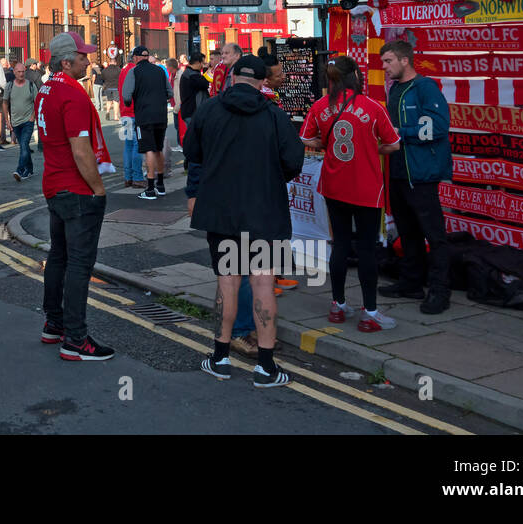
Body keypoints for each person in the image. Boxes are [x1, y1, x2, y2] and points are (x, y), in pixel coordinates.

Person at [186, 54, 303, 387]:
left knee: (228, 282)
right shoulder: (275, 115)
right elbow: (294, 161)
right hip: (266, 214)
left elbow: (191, 151)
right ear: (262, 82)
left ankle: (220, 358)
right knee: (264, 283)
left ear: (233, 78)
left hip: (223, 214)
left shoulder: (209, 109)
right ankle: (266, 367)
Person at [300, 56, 401, 332]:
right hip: (366, 187)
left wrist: (325, 144)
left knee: (340, 245)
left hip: (334, 185)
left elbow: (305, 139)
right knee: (367, 248)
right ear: (355, 75)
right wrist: (372, 148)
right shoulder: (372, 107)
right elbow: (393, 144)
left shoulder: (320, 106)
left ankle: (337, 304)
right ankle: (369, 312)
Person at [36, 31, 115, 361]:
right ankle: (76, 339)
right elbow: (82, 151)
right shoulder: (72, 94)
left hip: (54, 184)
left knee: (59, 256)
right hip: (77, 189)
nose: (88, 60)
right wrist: (98, 189)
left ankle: (54, 324)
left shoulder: (46, 88)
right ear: (66, 62)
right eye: (82, 57)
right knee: (80, 265)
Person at [378, 40, 452, 314]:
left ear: (404, 60)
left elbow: (439, 126)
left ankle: (440, 290)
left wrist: (398, 131)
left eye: (388, 61)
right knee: (407, 231)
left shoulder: (425, 87)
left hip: (420, 173)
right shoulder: (395, 88)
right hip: (397, 170)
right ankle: (411, 282)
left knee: (434, 235)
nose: (384, 67)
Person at [123, 45, 172, 200]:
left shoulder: (133, 71)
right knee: (158, 149)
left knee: (148, 150)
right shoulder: (160, 70)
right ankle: (161, 185)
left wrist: (131, 101)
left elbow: (126, 95)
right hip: (161, 115)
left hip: (144, 116)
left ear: (136, 58)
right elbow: (169, 92)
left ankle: (150, 189)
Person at [4, 60, 38, 182]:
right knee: (24, 146)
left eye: (23, 71)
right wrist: (7, 120)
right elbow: (5, 102)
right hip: (15, 121)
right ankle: (30, 169)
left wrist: (33, 115)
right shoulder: (9, 86)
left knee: (23, 145)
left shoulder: (31, 85)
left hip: (28, 121)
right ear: (14, 72)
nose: (21, 74)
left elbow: (37, 101)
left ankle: (20, 170)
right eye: (19, 72)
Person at [116, 50, 144, 188]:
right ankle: (137, 176)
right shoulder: (135, 70)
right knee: (137, 145)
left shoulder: (123, 71)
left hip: (124, 112)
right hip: (134, 112)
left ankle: (128, 177)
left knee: (128, 145)